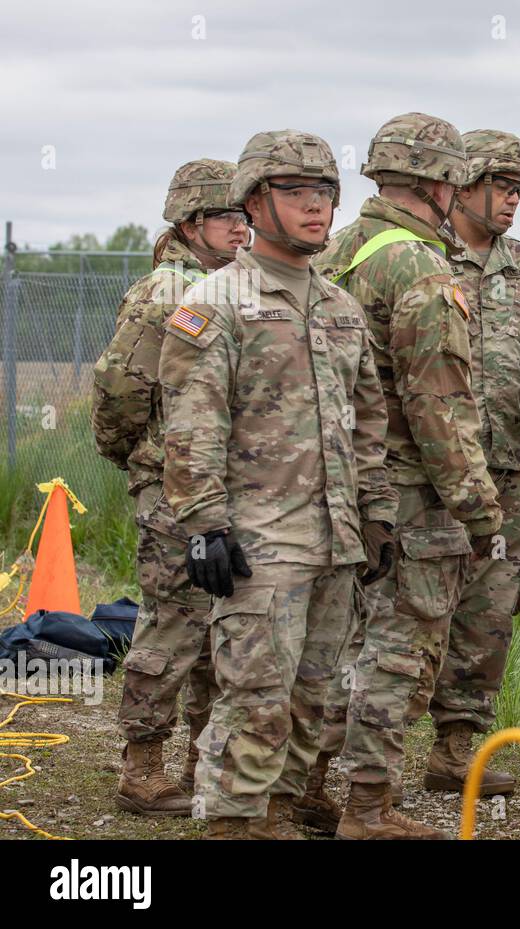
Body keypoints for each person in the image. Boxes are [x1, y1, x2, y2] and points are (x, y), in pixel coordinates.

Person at [159, 129, 397, 839]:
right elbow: (192, 422)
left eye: (325, 193)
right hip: (259, 540)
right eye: (296, 193)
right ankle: (237, 820)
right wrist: (204, 523)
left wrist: (377, 513)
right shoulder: (218, 303)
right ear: (256, 203)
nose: (317, 208)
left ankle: (280, 813)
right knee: (255, 692)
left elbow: (369, 422)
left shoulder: (340, 307)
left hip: (334, 539)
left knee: (313, 691)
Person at [310, 113, 502, 839]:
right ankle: (367, 807)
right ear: (441, 181)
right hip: (409, 497)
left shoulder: (339, 252)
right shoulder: (419, 267)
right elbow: (441, 408)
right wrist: (481, 511)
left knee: (337, 647)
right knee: (400, 654)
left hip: (338, 487)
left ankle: (306, 784)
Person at [92, 158, 247, 816]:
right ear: (191, 223)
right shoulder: (167, 291)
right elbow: (120, 386)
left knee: (222, 630)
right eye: (227, 219)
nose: (241, 231)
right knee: (174, 623)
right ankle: (144, 764)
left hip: (224, 487)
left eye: (247, 217)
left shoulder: (238, 288)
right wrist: (141, 456)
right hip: (172, 489)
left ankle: (200, 760)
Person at [420, 129, 520, 798]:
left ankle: (454, 748)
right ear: (462, 186)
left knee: (489, 612)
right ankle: (358, 757)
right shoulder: (424, 256)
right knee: (412, 610)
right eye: (502, 186)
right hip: (436, 466)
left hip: (510, 465)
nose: (512, 200)